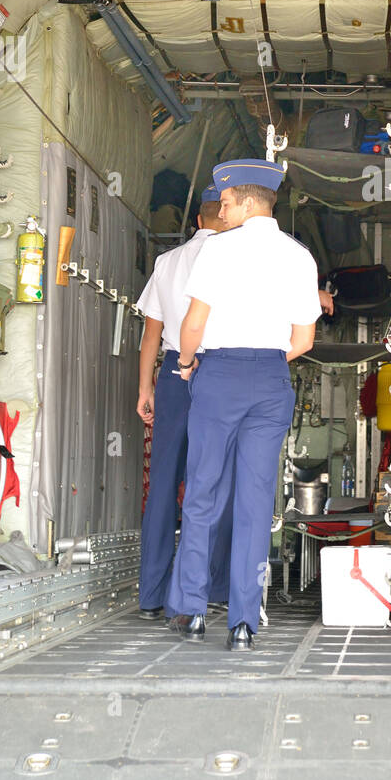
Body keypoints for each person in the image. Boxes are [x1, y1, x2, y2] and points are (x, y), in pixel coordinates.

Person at [166, 158, 322, 651]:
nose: (222, 210)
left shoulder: (219, 250)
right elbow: (304, 338)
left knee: (203, 492)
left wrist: (188, 363)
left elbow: (192, 323)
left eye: (228, 202)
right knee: (256, 501)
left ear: (248, 201)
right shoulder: (300, 257)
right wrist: (266, 354)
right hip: (272, 377)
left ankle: (191, 611)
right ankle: (243, 623)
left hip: (220, 375)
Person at [135, 184, 232, 618]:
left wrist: (146, 388)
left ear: (197, 220)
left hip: (173, 373)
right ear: (228, 217)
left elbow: (151, 333)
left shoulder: (168, 261)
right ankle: (212, 585)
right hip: (221, 372)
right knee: (215, 480)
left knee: (162, 485)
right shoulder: (235, 261)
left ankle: (152, 594)